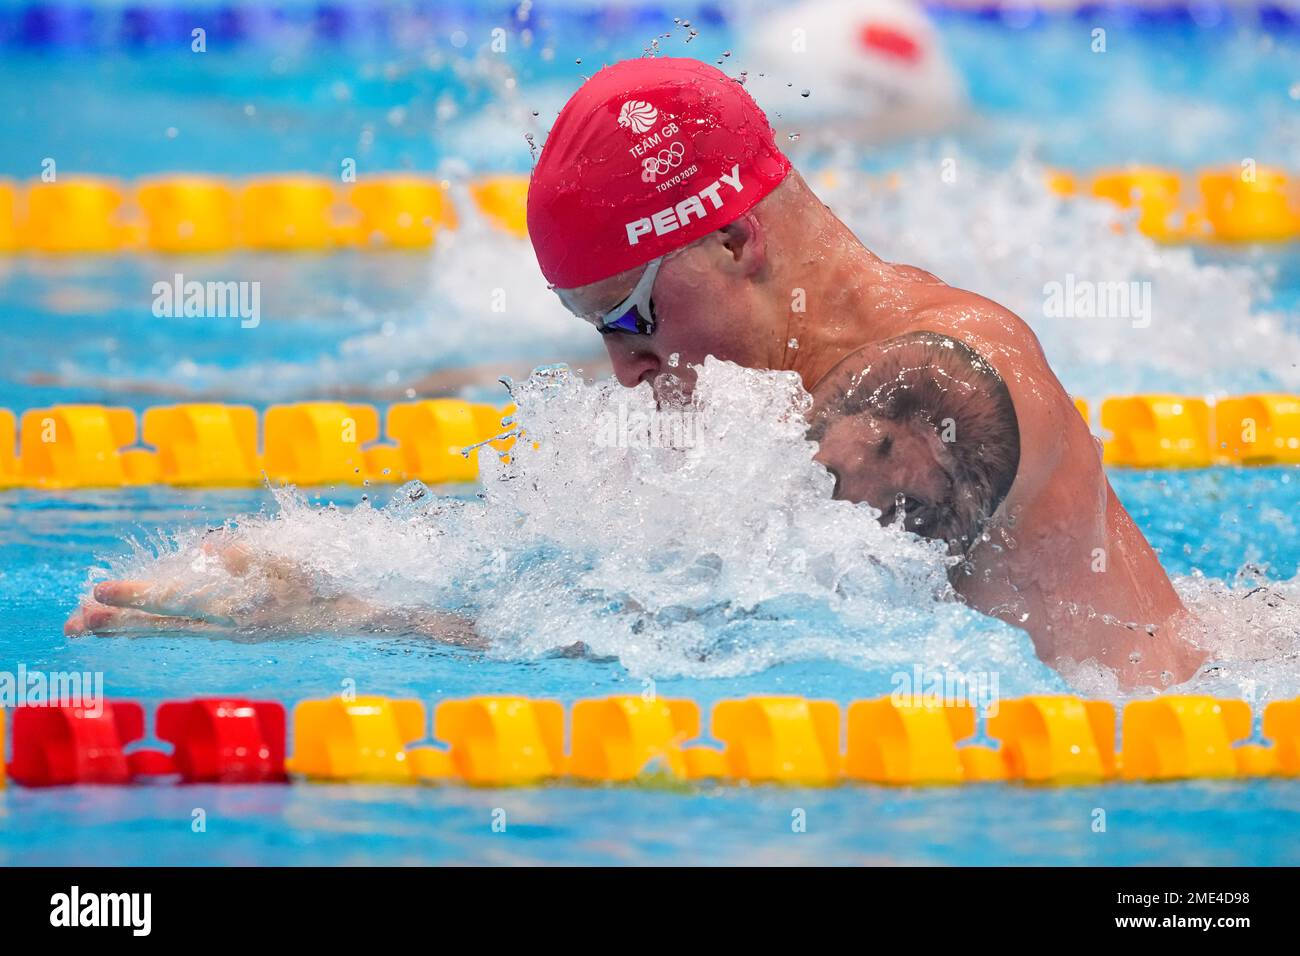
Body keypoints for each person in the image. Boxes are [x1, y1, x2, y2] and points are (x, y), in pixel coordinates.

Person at [70, 57, 1203, 687]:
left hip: (1141, 760)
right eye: (598, 329)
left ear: (734, 239)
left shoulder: (930, 391)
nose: (627, 369)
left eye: (633, 315)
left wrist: (348, 609)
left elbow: (728, 636)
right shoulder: (789, 383)